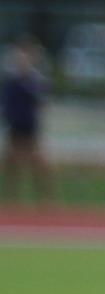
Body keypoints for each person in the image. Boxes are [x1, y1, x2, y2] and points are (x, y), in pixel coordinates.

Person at [1, 35, 54, 204]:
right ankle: (12, 198)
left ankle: (45, 198)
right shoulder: (12, 81)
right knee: (12, 164)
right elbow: (6, 102)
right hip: (14, 125)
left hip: (30, 127)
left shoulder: (35, 80)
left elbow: (42, 101)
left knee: (38, 163)